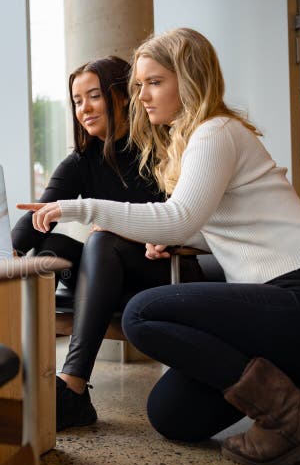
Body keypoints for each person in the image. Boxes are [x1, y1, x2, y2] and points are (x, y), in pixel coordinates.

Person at [18, 27, 300, 465]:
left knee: (142, 313)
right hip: (270, 295)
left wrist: (80, 209)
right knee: (172, 416)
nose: (141, 96)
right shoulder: (194, 139)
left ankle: (293, 417)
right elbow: (217, 227)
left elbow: (179, 215)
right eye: (139, 85)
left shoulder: (216, 131)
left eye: (154, 82)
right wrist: (178, 238)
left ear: (190, 79)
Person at [11, 56, 203, 431]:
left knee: (101, 242)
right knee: (52, 248)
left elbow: (183, 217)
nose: (84, 108)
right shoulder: (82, 161)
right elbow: (38, 218)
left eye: (94, 96)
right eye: (77, 101)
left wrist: (136, 234)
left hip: (167, 269)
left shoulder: (164, 145)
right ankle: (27, 373)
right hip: (109, 275)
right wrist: (6, 251)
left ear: (122, 96)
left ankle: (73, 387)